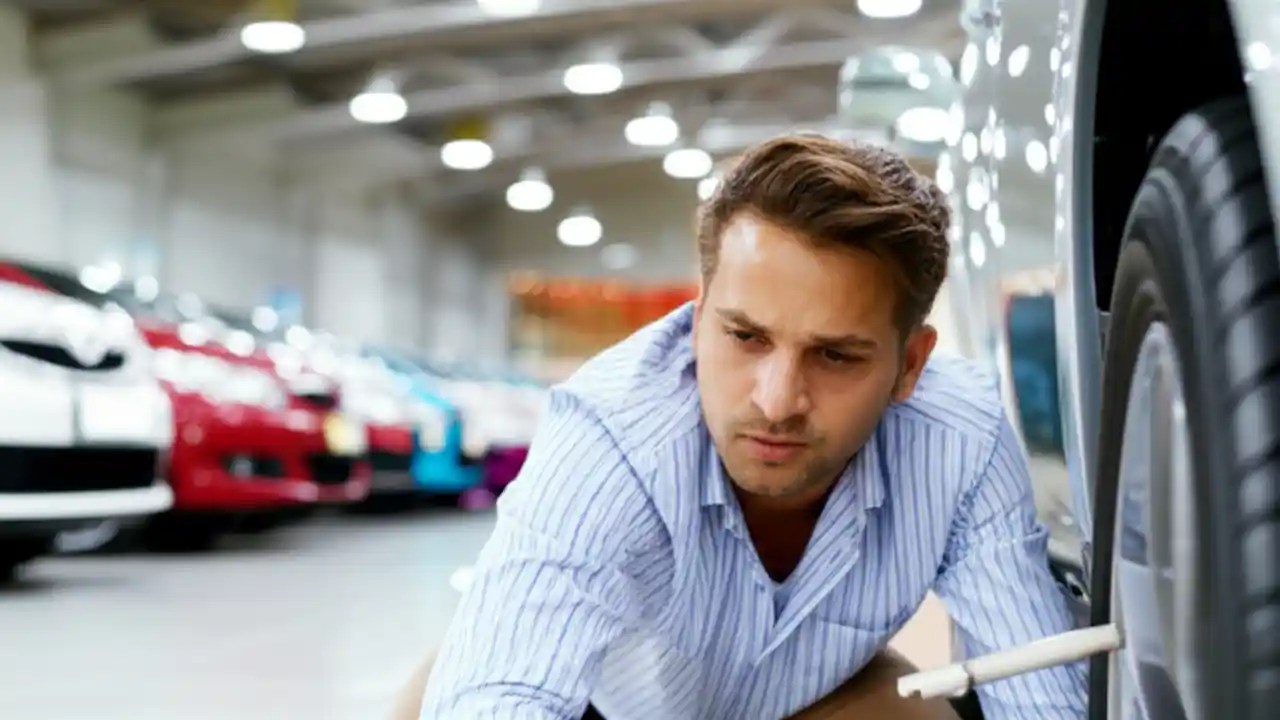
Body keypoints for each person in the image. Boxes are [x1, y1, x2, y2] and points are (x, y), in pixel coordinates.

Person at [401, 133, 1088, 719]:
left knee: (915, 711)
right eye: (746, 337)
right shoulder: (611, 440)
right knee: (440, 688)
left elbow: (1036, 687)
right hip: (607, 707)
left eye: (835, 355)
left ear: (910, 365)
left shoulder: (961, 440)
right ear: (699, 320)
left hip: (809, 703)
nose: (777, 401)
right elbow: (501, 697)